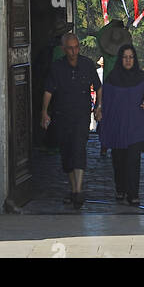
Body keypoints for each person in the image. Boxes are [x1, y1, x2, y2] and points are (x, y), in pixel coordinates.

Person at [41, 32, 101, 208]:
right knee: (67, 151)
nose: (74, 52)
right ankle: (73, 188)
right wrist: (44, 112)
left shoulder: (87, 64)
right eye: (70, 48)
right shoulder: (57, 67)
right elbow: (48, 91)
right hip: (62, 114)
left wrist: (99, 107)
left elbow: (98, 87)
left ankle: (78, 190)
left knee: (79, 148)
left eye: (76, 48)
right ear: (64, 49)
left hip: (82, 114)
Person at [99, 43, 144, 206]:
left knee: (133, 160)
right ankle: (120, 189)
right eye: (125, 57)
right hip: (117, 126)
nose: (128, 60)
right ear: (120, 59)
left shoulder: (142, 78)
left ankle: (133, 193)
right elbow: (104, 101)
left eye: (131, 57)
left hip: (135, 126)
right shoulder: (112, 78)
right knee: (119, 160)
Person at [96, 17, 133, 156]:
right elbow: (125, 38)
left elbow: (100, 34)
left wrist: (112, 25)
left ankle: (104, 146)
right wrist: (125, 28)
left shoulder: (106, 52)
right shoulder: (126, 52)